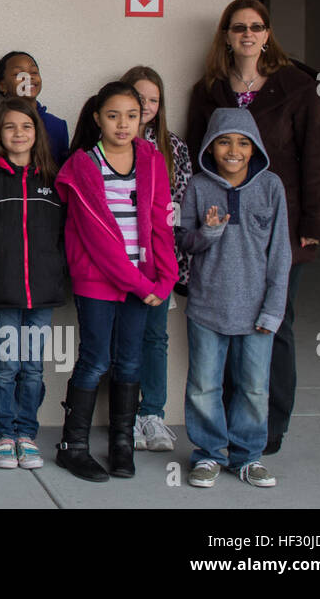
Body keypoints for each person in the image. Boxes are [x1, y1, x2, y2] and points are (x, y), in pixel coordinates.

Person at [186, 0, 320, 456]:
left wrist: (313, 220)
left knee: (275, 322)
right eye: (238, 27)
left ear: (267, 34)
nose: (247, 34)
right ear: (226, 36)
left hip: (278, 217)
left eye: (256, 26)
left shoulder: (296, 85)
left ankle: (269, 428)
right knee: (226, 321)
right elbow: (194, 157)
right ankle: (224, 428)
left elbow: (315, 156)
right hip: (222, 220)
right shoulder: (209, 89)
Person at [54, 81, 176, 482]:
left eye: (131, 115)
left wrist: (165, 277)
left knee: (130, 360)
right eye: (113, 116)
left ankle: (122, 446)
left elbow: (159, 222)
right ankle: (73, 447)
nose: (123, 124)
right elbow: (100, 243)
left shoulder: (152, 159)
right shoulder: (83, 166)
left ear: (142, 118)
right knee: (95, 360)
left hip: (142, 279)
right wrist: (144, 286)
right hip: (98, 281)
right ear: (97, 119)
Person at [178, 108, 290, 489]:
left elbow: (280, 255)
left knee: (255, 387)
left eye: (243, 142)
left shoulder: (272, 187)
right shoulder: (197, 187)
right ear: (210, 147)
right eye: (224, 141)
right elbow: (185, 243)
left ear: (255, 147)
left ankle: (247, 457)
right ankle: (209, 454)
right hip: (207, 307)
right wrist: (208, 233)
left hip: (257, 312)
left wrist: (274, 308)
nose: (234, 150)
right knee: (203, 386)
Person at [0, 50, 69, 441]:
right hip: (1, 290)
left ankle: (26, 433)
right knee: (3, 366)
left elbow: (60, 234)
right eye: (10, 127)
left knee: (33, 367)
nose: (19, 133)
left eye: (27, 126)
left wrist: (55, 270)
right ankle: (2, 433)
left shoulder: (53, 179)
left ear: (38, 132)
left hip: (42, 290)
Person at [120, 65, 192, 455]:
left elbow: (180, 206)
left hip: (160, 260)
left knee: (154, 336)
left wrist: (169, 262)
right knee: (121, 337)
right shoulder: (111, 144)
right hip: (120, 261)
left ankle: (153, 413)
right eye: (138, 97)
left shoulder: (173, 147)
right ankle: (125, 415)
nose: (146, 106)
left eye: (153, 99)